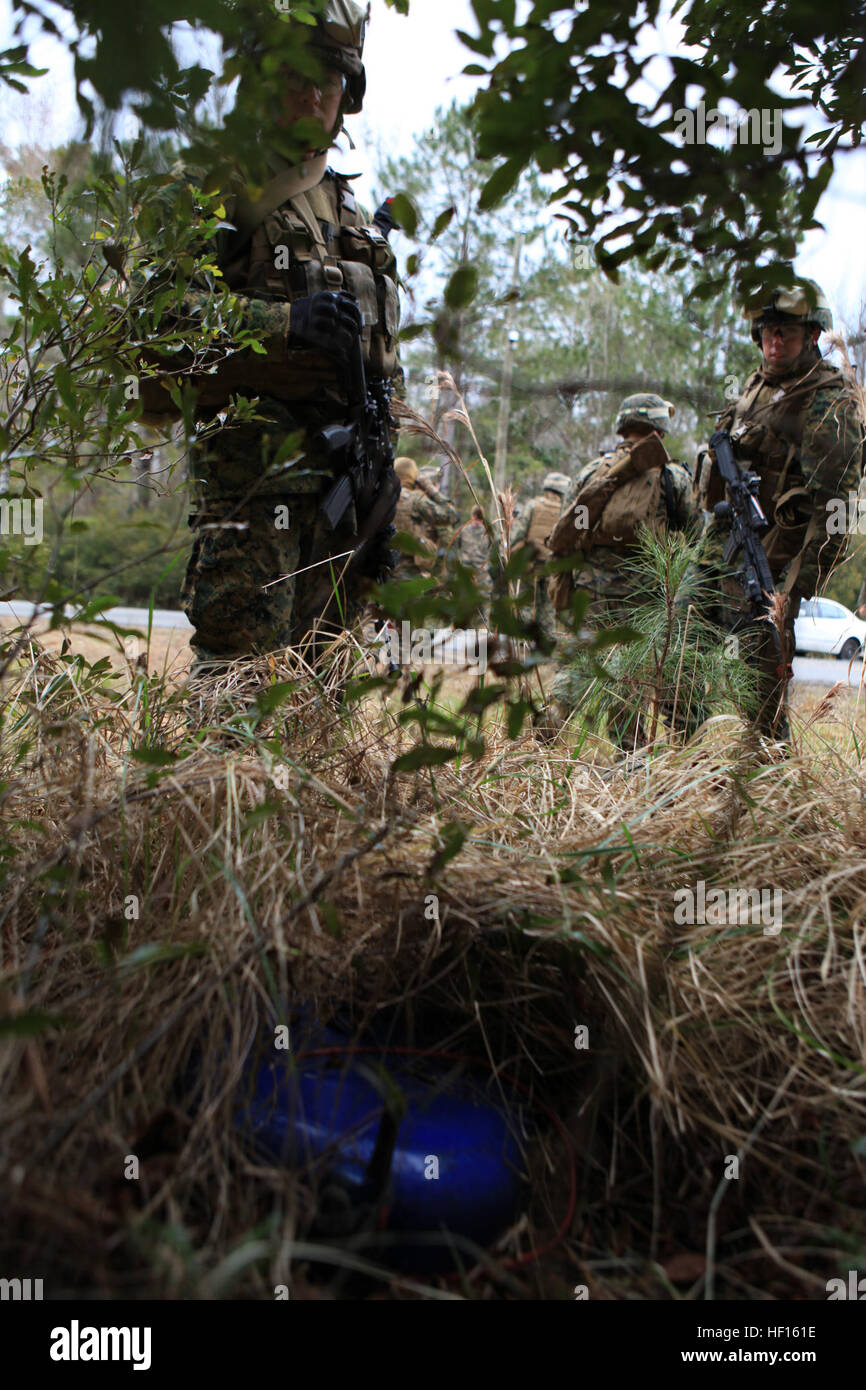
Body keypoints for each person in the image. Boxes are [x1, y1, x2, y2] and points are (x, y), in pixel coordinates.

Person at [133, 1, 401, 676]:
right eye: (294, 77)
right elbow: (150, 317)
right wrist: (282, 327)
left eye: (331, 81)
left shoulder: (351, 214)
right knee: (240, 684)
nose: (314, 94)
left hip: (344, 486)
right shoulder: (214, 186)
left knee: (323, 687)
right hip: (254, 480)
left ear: (351, 95)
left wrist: (384, 476)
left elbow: (377, 368)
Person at [694, 281, 865, 740]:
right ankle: (680, 765)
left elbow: (837, 503)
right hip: (718, 551)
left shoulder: (828, 398)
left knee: (761, 694)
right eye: (768, 331)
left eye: (787, 331)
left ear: (812, 335)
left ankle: (774, 787)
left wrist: (799, 583)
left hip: (771, 565)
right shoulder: (752, 387)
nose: (775, 341)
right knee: (677, 645)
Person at [543, 395, 697, 745]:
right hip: (643, 592)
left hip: (589, 591)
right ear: (660, 429)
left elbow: (567, 531)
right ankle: (628, 752)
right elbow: (696, 532)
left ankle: (551, 721)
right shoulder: (672, 476)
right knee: (629, 669)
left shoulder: (590, 473)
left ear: (622, 427)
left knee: (579, 661)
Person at [509, 471, 571, 649]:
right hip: (553, 565)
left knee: (527, 603)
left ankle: (524, 643)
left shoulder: (533, 506)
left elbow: (517, 533)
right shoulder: (565, 510)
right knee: (548, 607)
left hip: (530, 564)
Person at [390, 457, 458, 583]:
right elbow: (450, 515)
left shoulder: (383, 498)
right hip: (408, 574)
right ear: (412, 476)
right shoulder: (415, 499)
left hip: (382, 574)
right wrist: (430, 489)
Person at [455, 505, 493, 622]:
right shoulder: (464, 530)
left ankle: (482, 622)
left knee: (484, 597)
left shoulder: (488, 532)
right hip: (466, 569)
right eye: (475, 518)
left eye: (479, 519)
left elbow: (493, 549)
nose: (477, 521)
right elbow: (456, 546)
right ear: (471, 516)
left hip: (482, 571)